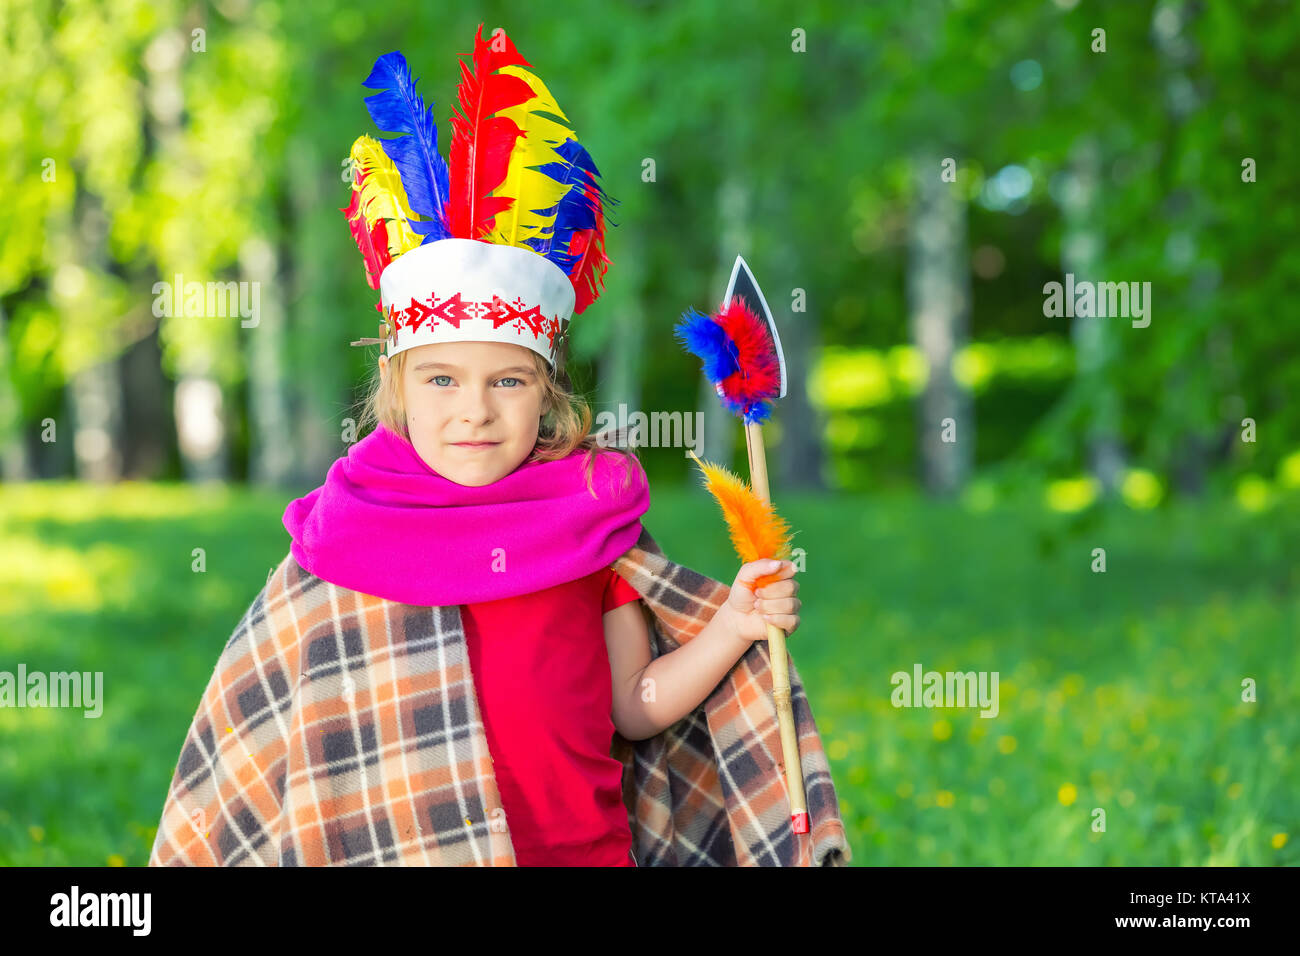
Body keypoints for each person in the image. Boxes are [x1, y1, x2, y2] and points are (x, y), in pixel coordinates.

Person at [148, 26, 849, 867]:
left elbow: (634, 705)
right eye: (441, 380)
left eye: (507, 383)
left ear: (546, 392)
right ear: (396, 390)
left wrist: (735, 622)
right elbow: (265, 744)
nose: (473, 411)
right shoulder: (344, 538)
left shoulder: (586, 523)